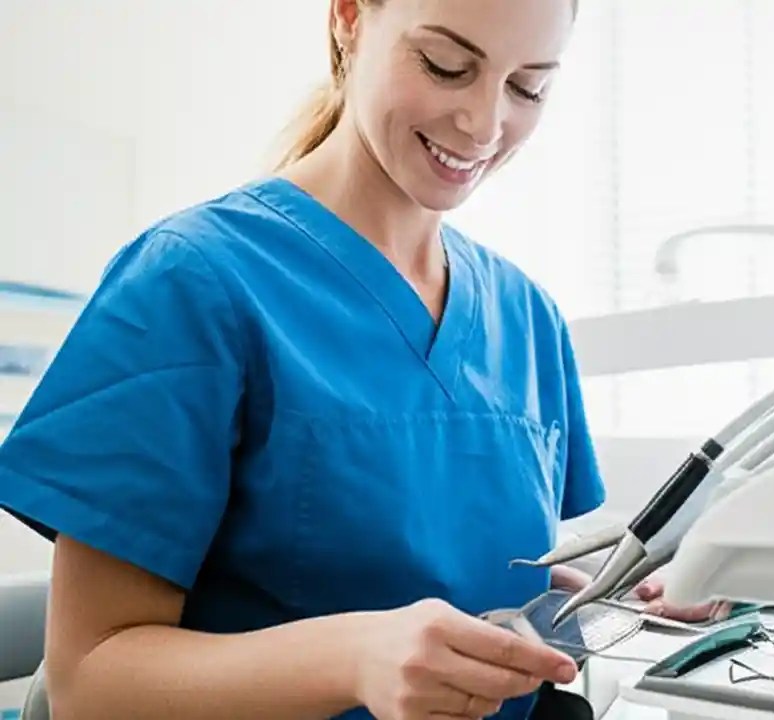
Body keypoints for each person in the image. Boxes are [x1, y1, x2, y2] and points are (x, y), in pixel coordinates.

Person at [0, 1, 716, 718]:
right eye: (446, 66)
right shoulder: (191, 283)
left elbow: (482, 569)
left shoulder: (527, 317)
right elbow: (88, 683)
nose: (485, 124)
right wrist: (352, 661)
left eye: (528, 87)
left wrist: (624, 591)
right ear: (347, 17)